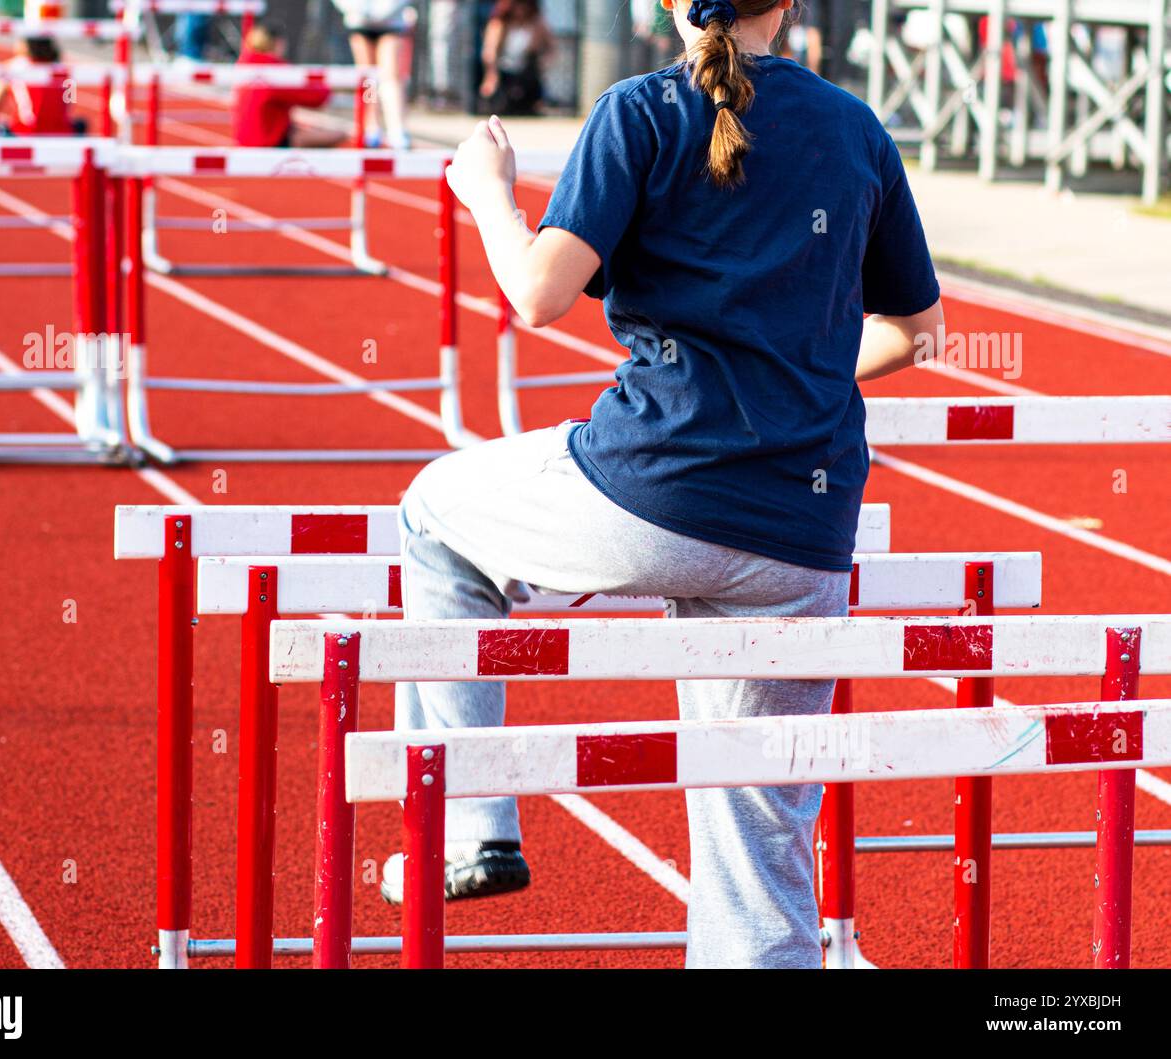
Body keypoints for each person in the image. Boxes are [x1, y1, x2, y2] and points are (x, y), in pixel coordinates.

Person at [380, 0, 943, 968]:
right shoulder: (854, 128)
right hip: (799, 525)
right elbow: (917, 330)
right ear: (792, 5)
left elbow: (537, 295)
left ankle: (471, 829)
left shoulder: (640, 110)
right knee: (757, 823)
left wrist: (486, 191)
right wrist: (792, 370)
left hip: (653, 489)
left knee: (432, 511)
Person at [231, 21, 345, 148]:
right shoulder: (275, 68)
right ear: (278, 43)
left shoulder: (244, 63)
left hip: (243, 139)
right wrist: (327, 87)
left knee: (303, 131)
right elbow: (315, 97)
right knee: (339, 135)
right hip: (268, 142)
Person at [331, 0, 415, 148]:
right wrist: (358, 10)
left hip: (392, 23)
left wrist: (384, 11)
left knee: (391, 75)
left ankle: (397, 129)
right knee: (368, 79)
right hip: (360, 22)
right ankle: (372, 127)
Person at [0, 36, 83, 136]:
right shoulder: (64, 70)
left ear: (24, 45)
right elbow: (68, 105)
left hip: (25, 134)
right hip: (64, 135)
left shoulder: (12, 68)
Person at [478, 0, 552, 116]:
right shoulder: (499, 23)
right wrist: (492, 76)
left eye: (524, 4)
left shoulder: (536, 23)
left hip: (526, 72)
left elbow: (551, 48)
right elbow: (489, 53)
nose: (520, 9)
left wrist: (544, 63)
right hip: (503, 72)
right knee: (499, 103)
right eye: (517, 4)